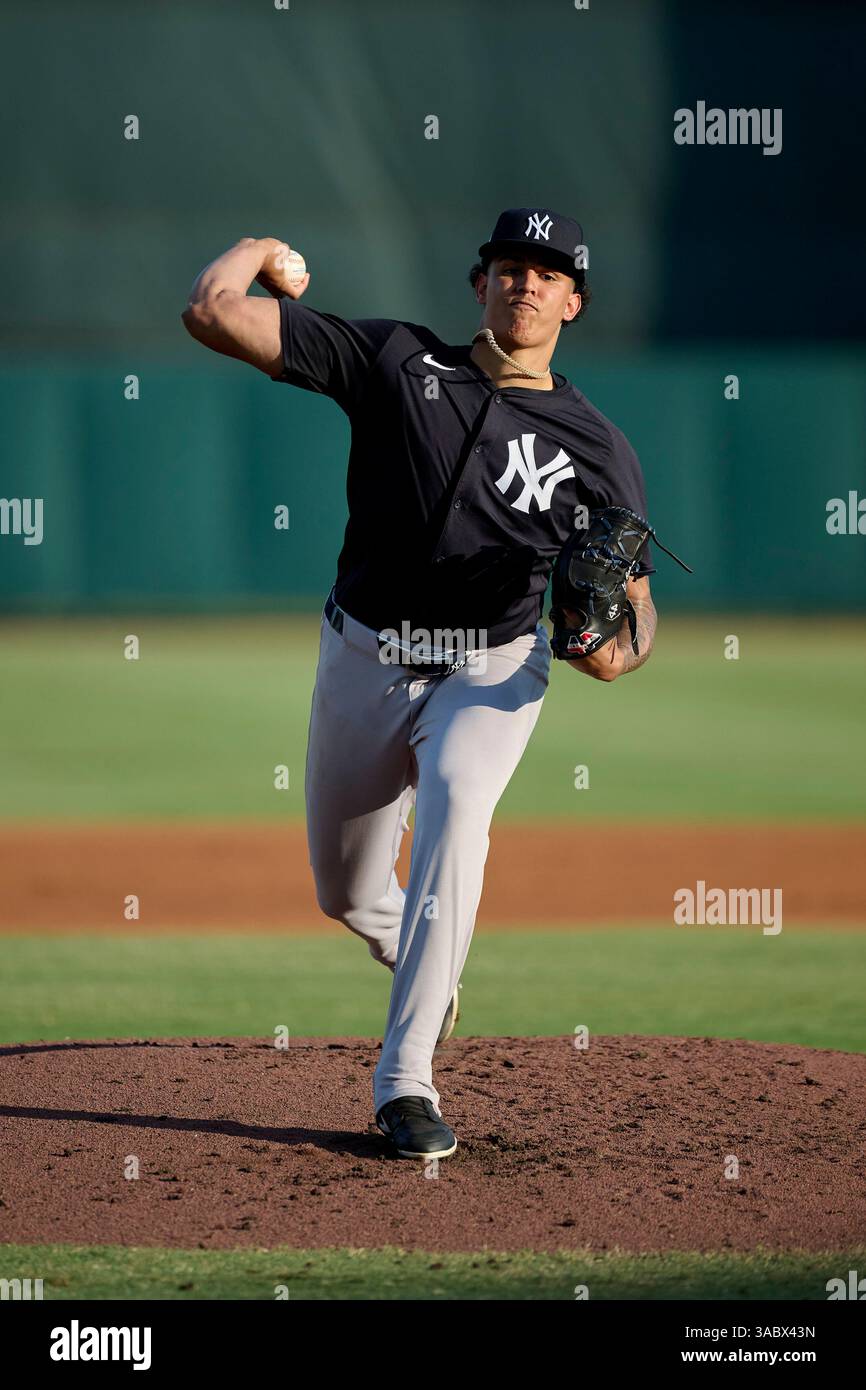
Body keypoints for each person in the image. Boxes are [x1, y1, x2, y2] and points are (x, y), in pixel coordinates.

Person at [181, 207, 657, 1160]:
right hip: (366, 655)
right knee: (347, 893)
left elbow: (634, 619)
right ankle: (419, 957)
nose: (526, 283)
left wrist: (608, 645)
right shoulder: (395, 362)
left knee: (455, 811)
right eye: (509, 267)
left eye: (547, 272)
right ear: (478, 284)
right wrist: (263, 247)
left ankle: (405, 1083)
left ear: (575, 299)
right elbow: (213, 312)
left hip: (495, 665)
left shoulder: (597, 447)